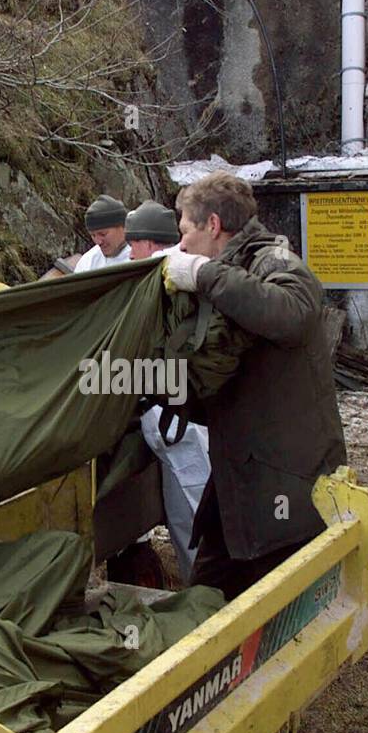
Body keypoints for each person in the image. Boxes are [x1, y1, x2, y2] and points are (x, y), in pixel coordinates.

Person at [161, 172, 346, 599]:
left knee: (277, 616)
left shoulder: (274, 261)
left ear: (212, 225)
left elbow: (293, 312)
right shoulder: (236, 273)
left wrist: (204, 275)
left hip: (285, 483)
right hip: (243, 478)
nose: (182, 246)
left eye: (185, 232)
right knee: (208, 604)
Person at [124, 201, 212, 581]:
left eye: (135, 243)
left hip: (186, 421)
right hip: (167, 420)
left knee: (201, 513)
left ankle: (225, 601)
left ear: (153, 244)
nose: (130, 251)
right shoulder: (157, 278)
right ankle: (203, 594)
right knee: (182, 517)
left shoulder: (178, 280)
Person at [72, 194, 132, 273]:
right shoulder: (88, 262)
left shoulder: (142, 254)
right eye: (93, 235)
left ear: (123, 227)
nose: (98, 242)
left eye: (103, 234)